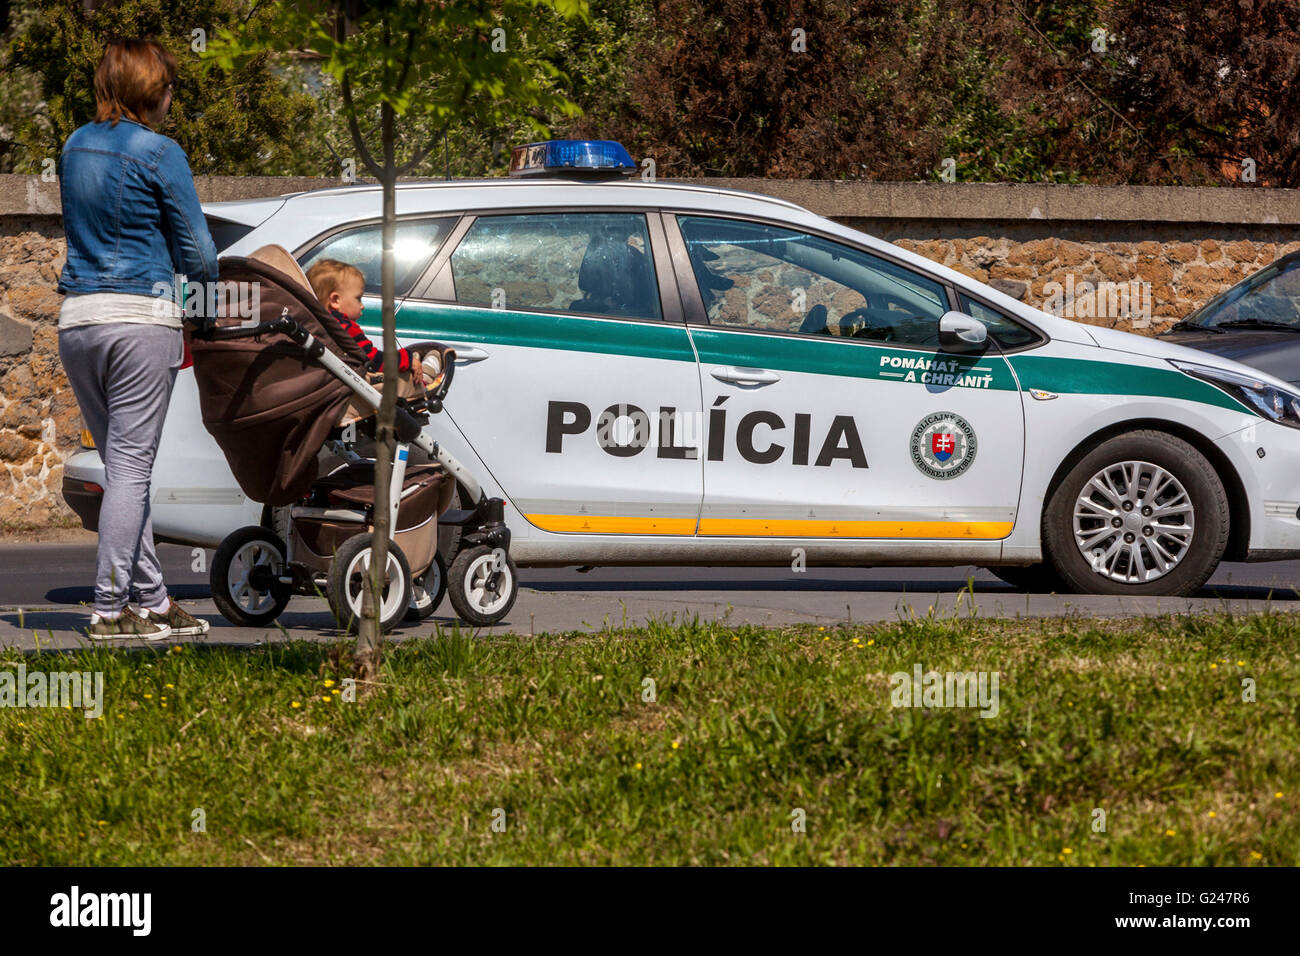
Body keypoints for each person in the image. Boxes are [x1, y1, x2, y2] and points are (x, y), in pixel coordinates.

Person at [56, 39, 218, 640]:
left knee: (121, 466)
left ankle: (151, 600)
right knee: (130, 467)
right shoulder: (161, 152)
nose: (172, 97)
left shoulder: (73, 146)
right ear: (154, 89)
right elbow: (199, 250)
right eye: (170, 86)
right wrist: (203, 310)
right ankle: (107, 610)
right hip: (139, 318)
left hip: (79, 319)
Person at [304, 259, 427, 425]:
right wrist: (407, 359)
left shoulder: (313, 325)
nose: (362, 306)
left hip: (325, 394)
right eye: (358, 298)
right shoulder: (343, 328)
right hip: (351, 395)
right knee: (411, 365)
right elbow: (372, 359)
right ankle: (427, 371)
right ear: (335, 300)